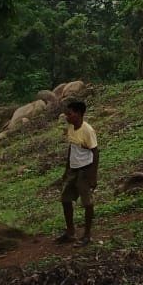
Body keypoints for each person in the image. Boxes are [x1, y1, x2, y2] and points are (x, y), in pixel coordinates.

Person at [56, 98, 99, 245]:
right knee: (65, 200)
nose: (67, 117)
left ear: (79, 114)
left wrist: (93, 176)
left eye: (70, 114)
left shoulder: (87, 130)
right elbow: (72, 148)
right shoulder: (71, 128)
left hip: (85, 170)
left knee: (87, 203)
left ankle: (87, 235)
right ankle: (70, 232)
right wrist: (67, 169)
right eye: (67, 114)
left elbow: (95, 152)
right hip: (73, 170)